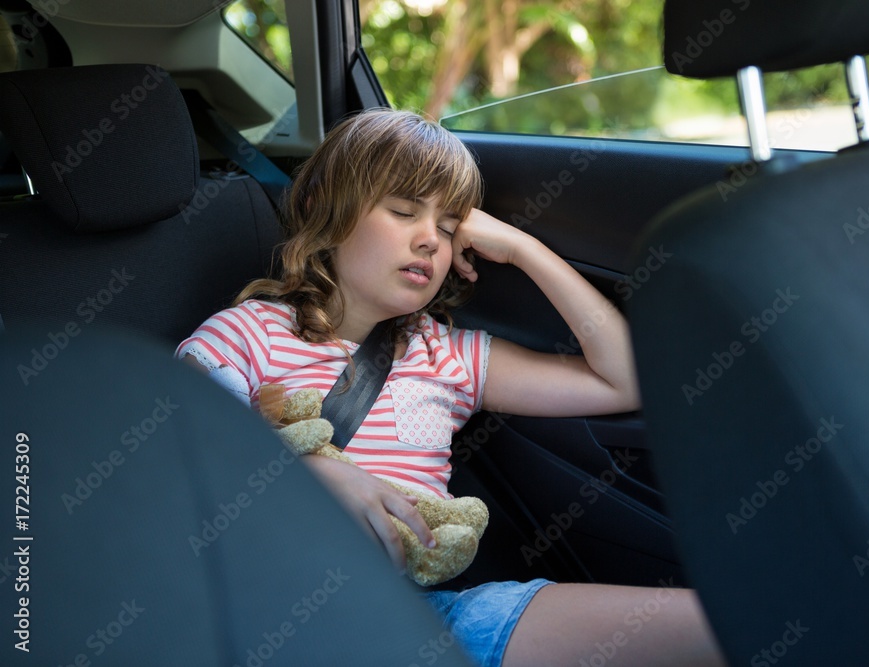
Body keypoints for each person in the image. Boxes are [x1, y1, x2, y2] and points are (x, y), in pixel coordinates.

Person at [176, 108, 726, 667]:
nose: (429, 241)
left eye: (447, 227)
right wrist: (303, 471)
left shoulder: (447, 354)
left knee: (729, 626)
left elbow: (623, 379)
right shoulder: (251, 331)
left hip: (427, 618)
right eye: (402, 211)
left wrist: (521, 248)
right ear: (324, 210)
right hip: (271, 618)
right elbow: (179, 446)